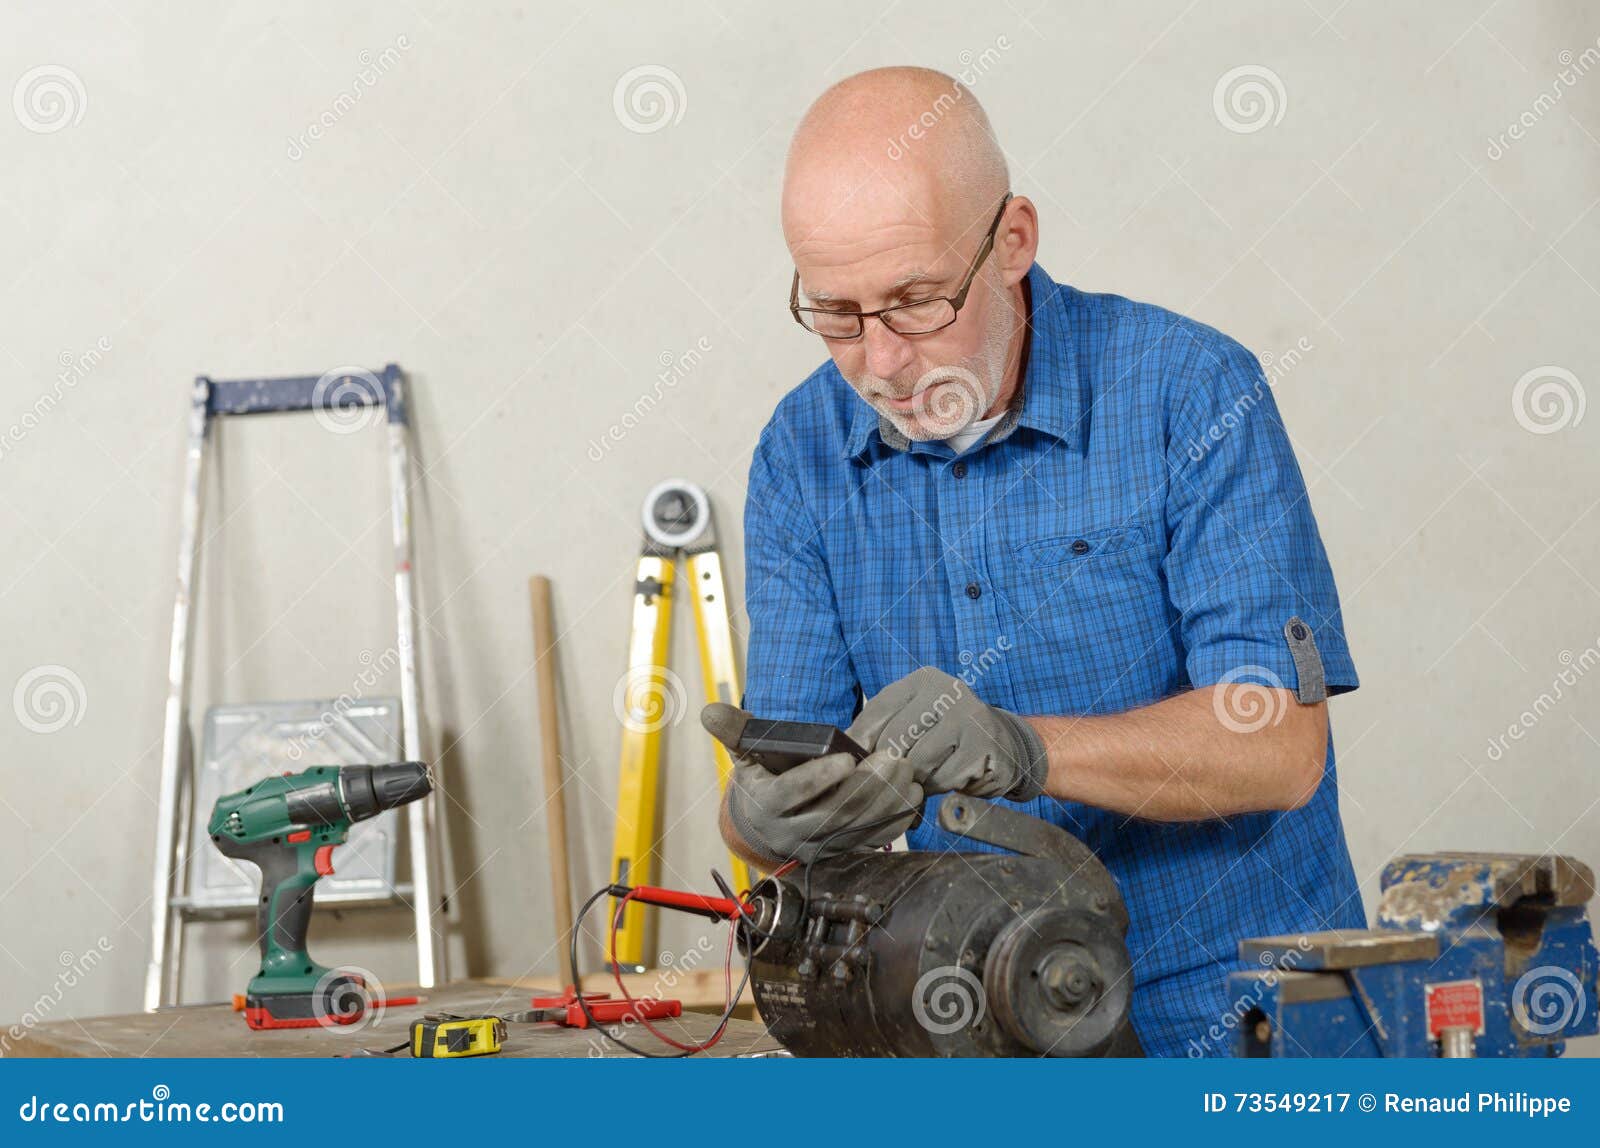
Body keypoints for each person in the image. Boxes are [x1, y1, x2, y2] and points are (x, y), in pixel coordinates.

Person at [718, 66, 1364, 1057]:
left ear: (1012, 241)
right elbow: (796, 818)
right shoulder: (803, 456)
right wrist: (765, 817)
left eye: (917, 301)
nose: (880, 361)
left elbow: (1278, 744)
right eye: (836, 313)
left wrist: (1021, 747)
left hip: (1239, 1019)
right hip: (982, 1024)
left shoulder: (1188, 394)